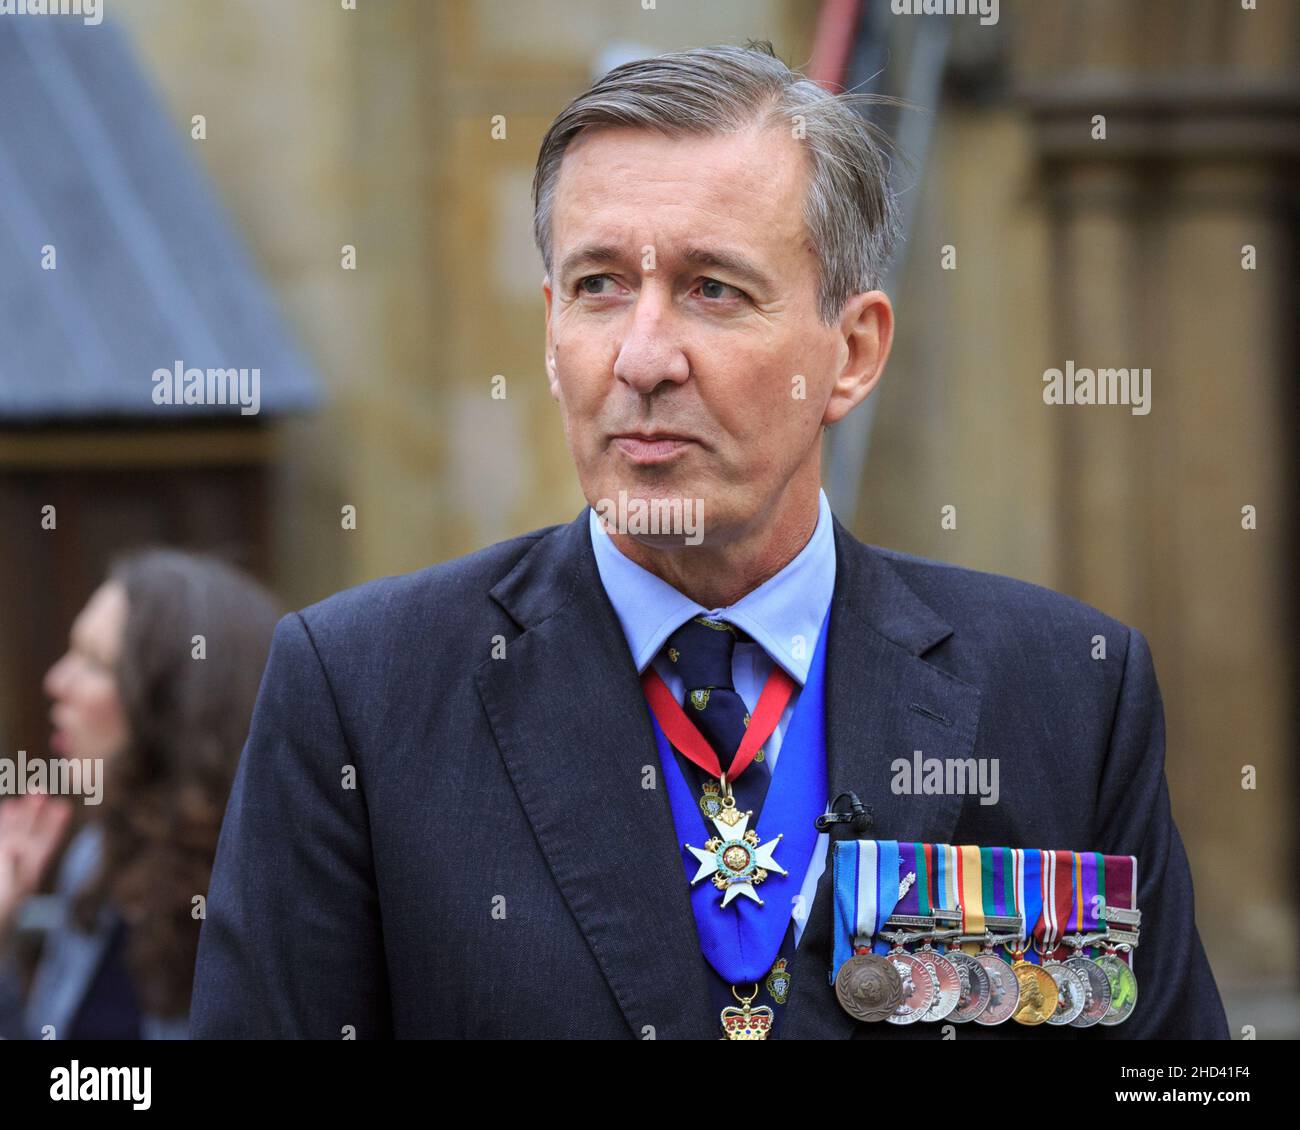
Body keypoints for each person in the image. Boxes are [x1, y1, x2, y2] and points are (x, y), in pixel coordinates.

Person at [190, 41, 1228, 1039]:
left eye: (712, 289)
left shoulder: (1062, 691)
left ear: (853, 351)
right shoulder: (363, 694)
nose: (641, 356)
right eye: (599, 286)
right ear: (551, 334)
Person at [0, 548, 280, 1039]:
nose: (56, 682)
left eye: (94, 663)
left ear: (175, 705)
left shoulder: (261, 903)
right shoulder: (96, 859)